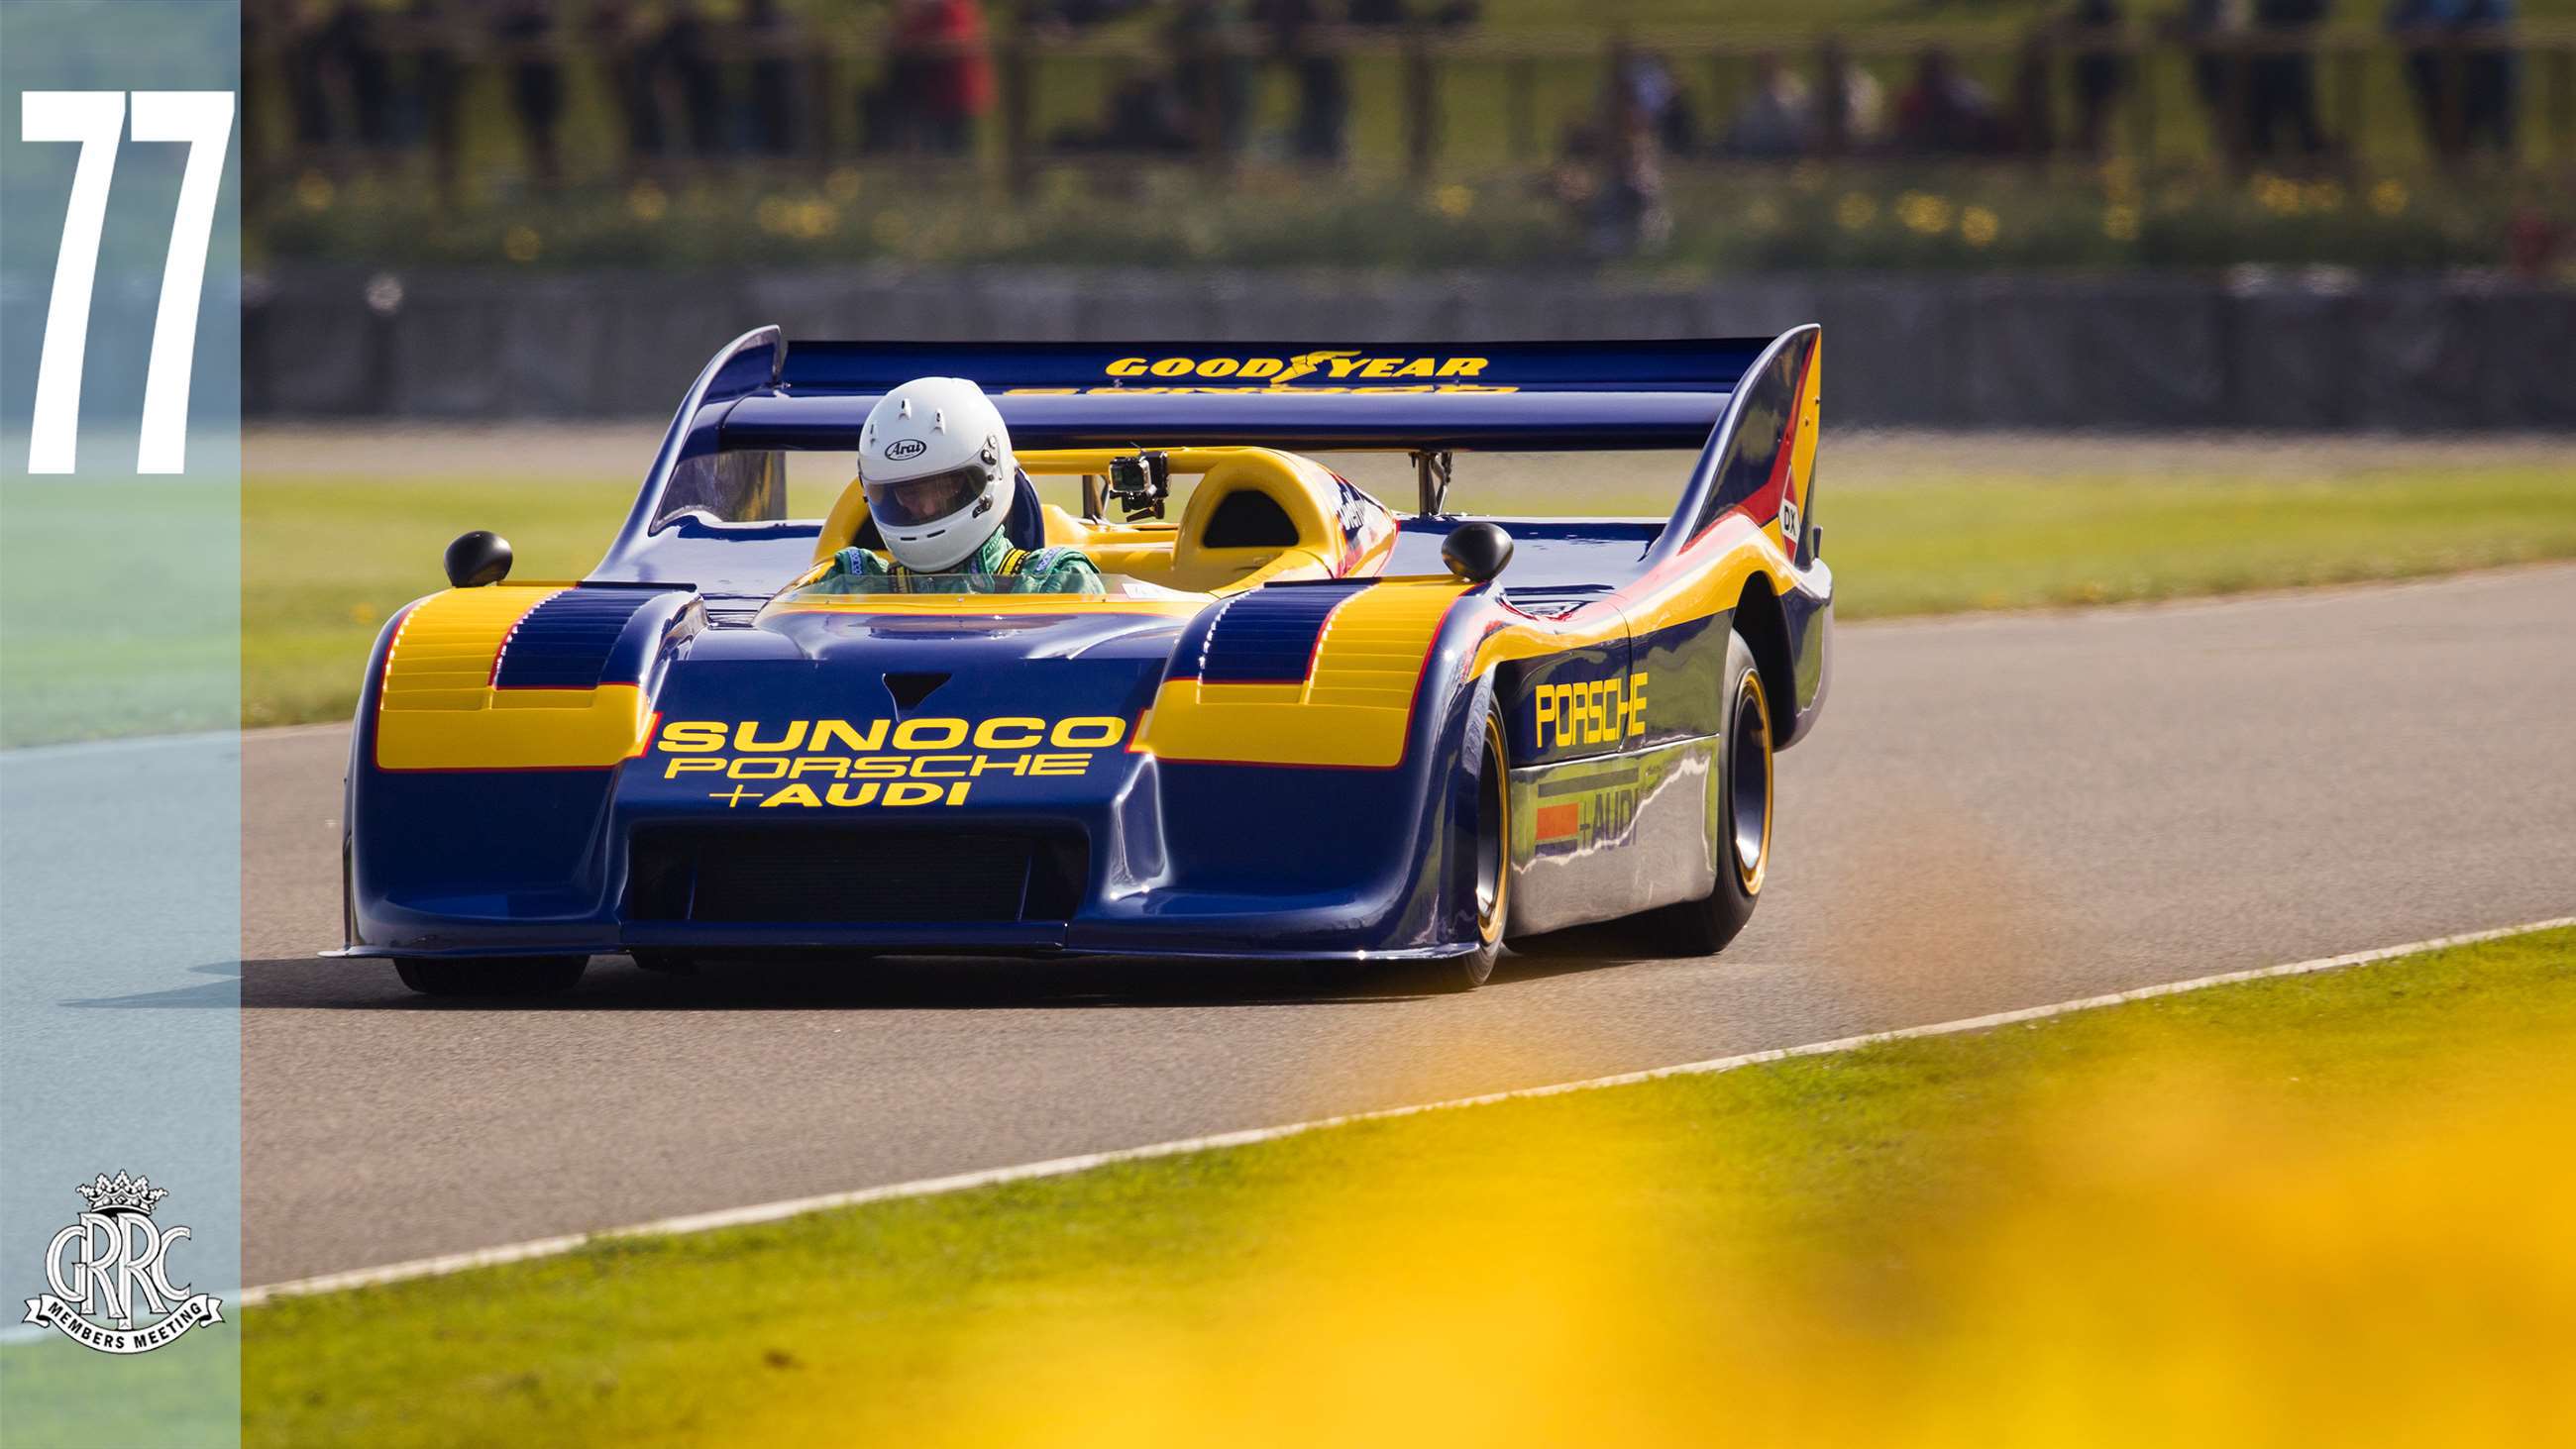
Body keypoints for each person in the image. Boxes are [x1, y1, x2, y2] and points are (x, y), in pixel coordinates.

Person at [809, 378, 1103, 594]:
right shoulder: (850, 585)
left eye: (944, 486)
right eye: (908, 491)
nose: (926, 507)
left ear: (991, 472)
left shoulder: (1059, 582)